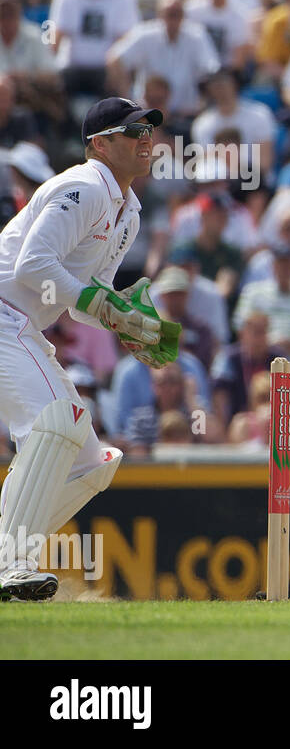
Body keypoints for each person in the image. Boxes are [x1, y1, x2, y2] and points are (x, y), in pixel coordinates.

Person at [0, 97, 174, 599]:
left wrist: (124, 318)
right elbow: (33, 265)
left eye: (149, 130)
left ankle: (7, 555)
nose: (146, 139)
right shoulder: (81, 187)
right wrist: (105, 304)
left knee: (93, 462)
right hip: (5, 315)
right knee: (56, 421)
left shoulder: (130, 212)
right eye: (133, 131)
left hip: (23, 326)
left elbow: (79, 300)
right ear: (100, 144)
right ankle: (13, 565)